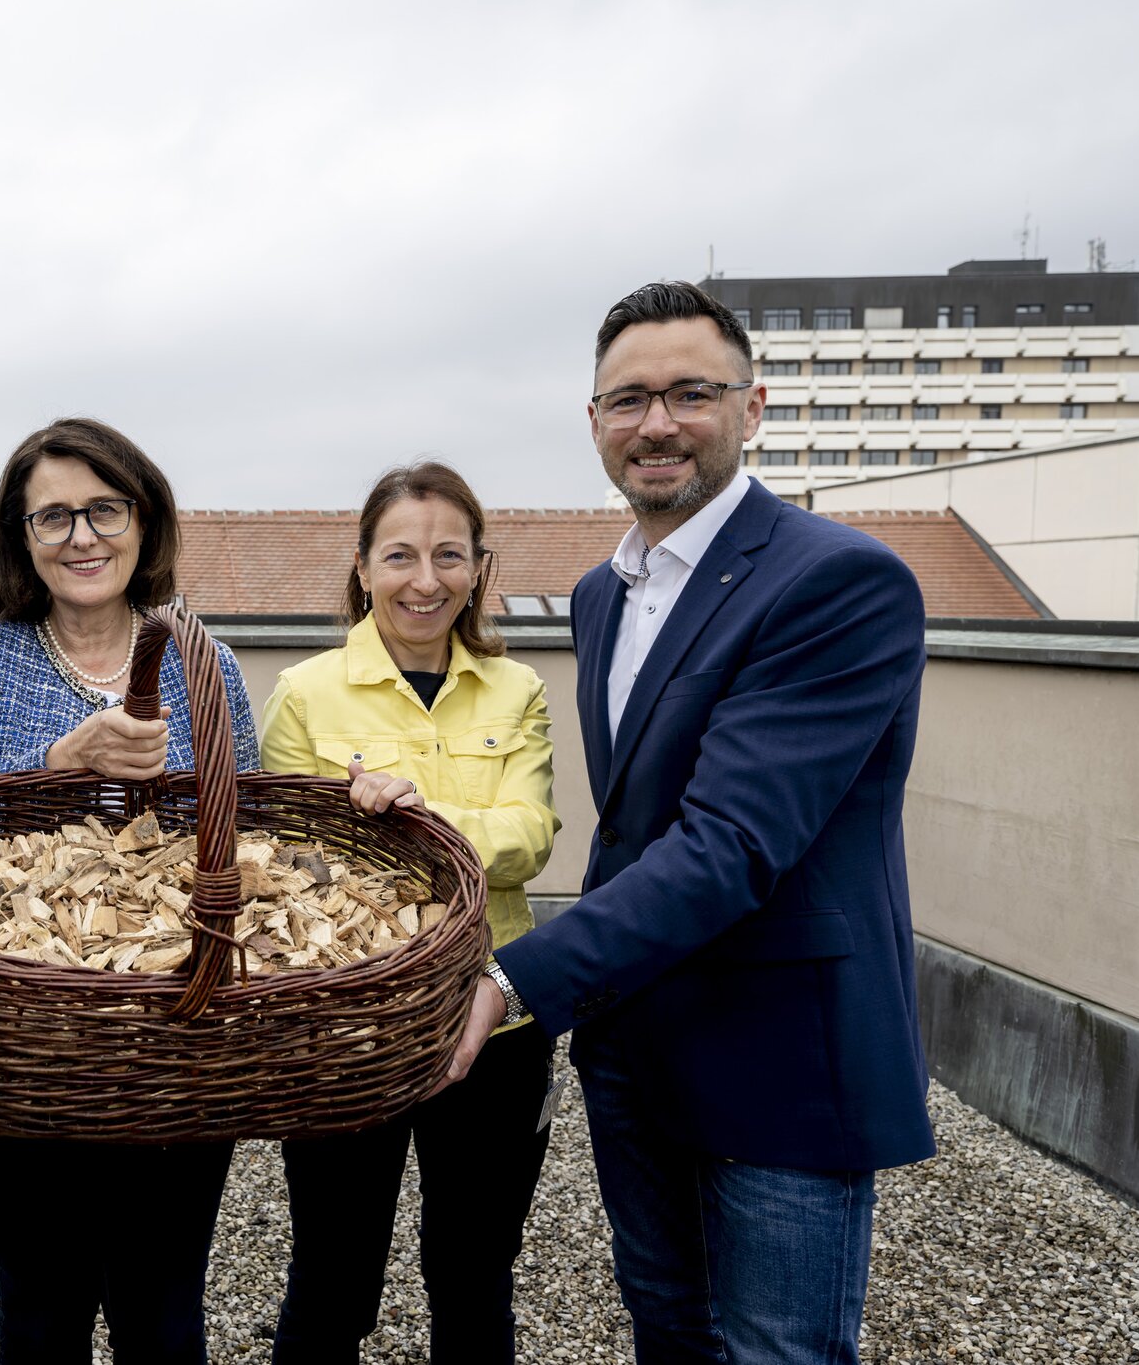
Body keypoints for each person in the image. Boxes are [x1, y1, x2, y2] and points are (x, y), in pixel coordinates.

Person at [448, 281, 935, 1364]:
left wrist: (513, 979)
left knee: (772, 1350)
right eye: (626, 399)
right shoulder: (596, 595)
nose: (654, 423)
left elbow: (729, 843)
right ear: (592, 423)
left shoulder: (835, 580)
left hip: (777, 1060)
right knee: (664, 1332)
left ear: (749, 406)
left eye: (687, 393)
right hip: (637, 1053)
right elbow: (630, 826)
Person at [0, 416, 260, 1364]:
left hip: (178, 1031)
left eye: (105, 510)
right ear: (21, 537)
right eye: (54, 517)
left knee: (163, 1305)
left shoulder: (208, 664)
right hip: (22, 1040)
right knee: (41, 1299)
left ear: (144, 520)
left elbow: (248, 835)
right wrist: (56, 765)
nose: (82, 538)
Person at [258, 461, 560, 1363]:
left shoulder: (519, 691)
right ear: (361, 566)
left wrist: (415, 816)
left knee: (474, 1276)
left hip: (497, 1015)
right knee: (332, 1279)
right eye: (399, 555)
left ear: (479, 568)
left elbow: (533, 835)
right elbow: (288, 869)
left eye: (448, 556)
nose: (424, 580)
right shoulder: (307, 694)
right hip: (347, 1030)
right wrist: (452, 834)